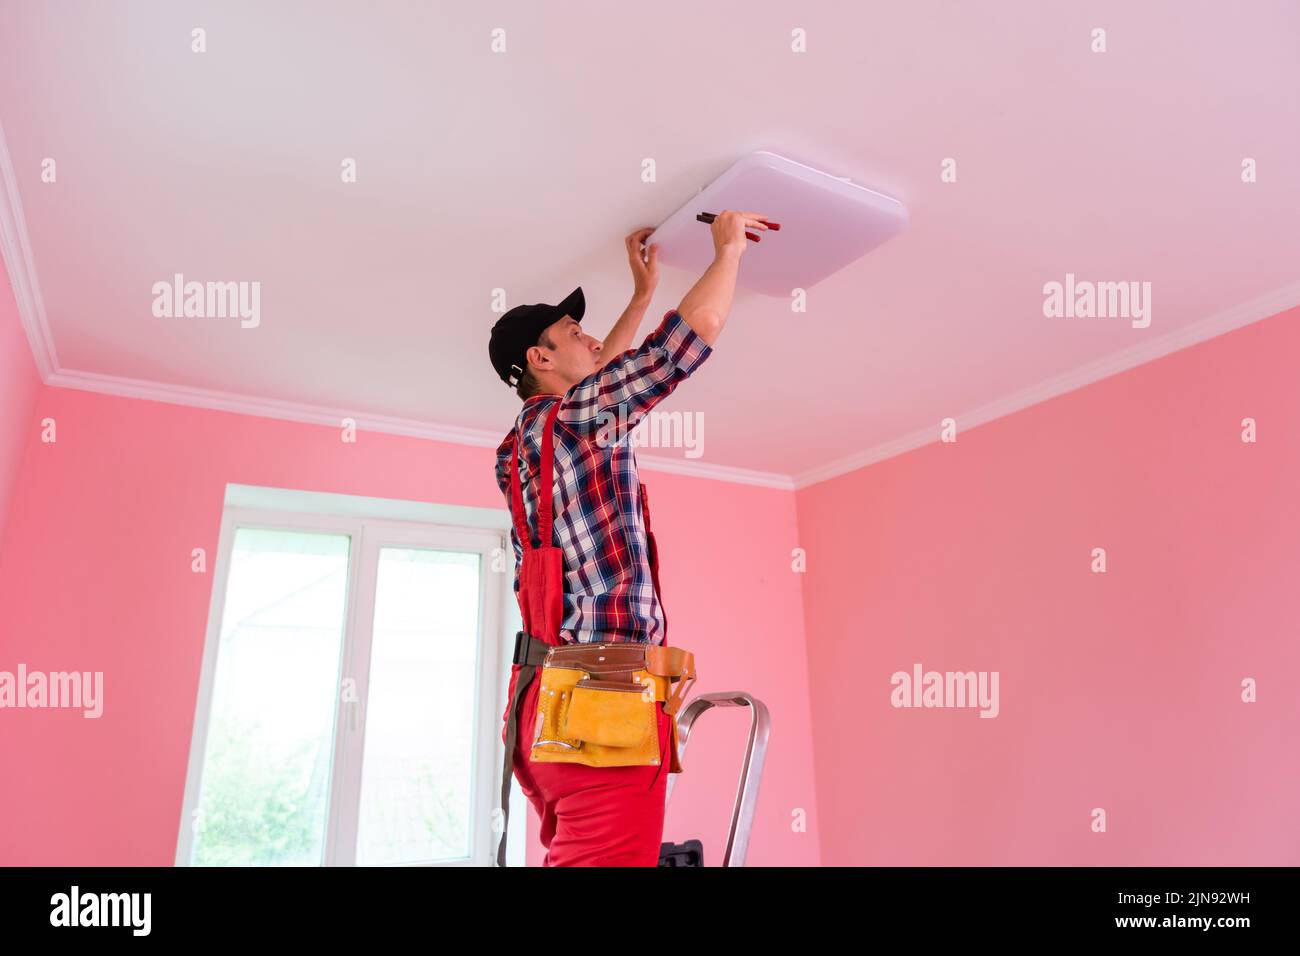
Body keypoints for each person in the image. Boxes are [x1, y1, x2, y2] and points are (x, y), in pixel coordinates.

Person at [488, 209, 770, 866]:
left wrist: (642, 293)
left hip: (539, 708)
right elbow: (689, 339)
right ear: (540, 357)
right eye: (574, 332)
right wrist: (727, 250)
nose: (591, 341)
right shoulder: (583, 419)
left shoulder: (515, 449)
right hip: (600, 701)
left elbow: (593, 388)